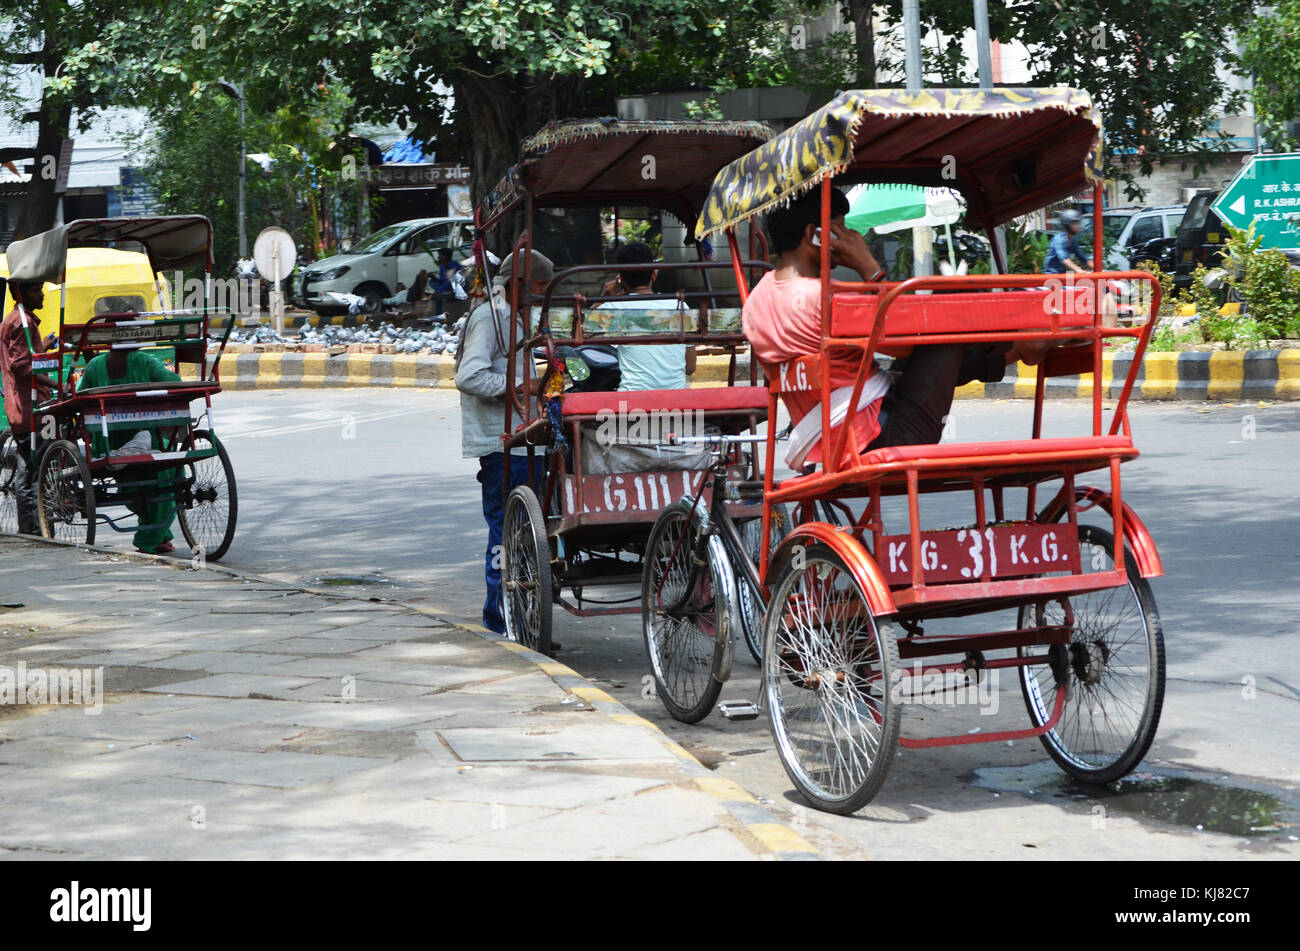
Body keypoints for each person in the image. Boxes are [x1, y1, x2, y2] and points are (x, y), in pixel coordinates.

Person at [742, 186, 1050, 466]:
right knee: (947, 310)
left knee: (926, 342)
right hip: (884, 434)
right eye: (841, 227)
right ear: (815, 234)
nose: (851, 236)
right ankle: (1019, 348)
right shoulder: (827, 298)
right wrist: (869, 267)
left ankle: (1018, 349)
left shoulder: (756, 301)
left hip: (835, 435)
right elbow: (914, 338)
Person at [454, 248, 552, 634]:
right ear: (518, 284)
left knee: (530, 534)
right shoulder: (490, 319)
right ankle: (497, 620)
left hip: (528, 438)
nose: (543, 295)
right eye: (540, 287)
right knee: (505, 532)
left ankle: (525, 618)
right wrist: (519, 386)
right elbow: (469, 377)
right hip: (501, 444)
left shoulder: (520, 319)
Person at [77, 348, 182, 554]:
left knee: (136, 480)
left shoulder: (94, 365)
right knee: (168, 475)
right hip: (145, 440)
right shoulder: (145, 360)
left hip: (108, 444)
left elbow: (78, 393)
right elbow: (173, 380)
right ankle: (149, 539)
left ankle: (160, 534)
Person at [597, 242, 696, 391]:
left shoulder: (613, 307)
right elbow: (690, 367)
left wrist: (604, 297)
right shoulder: (679, 306)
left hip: (632, 401)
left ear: (621, 280)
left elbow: (582, 331)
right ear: (654, 275)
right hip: (676, 400)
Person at [1, 280, 58, 534]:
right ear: (20, 293)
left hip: (25, 407)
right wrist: (57, 383)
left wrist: (43, 346)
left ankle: (33, 529)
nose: (42, 294)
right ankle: (36, 530)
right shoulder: (19, 322)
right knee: (38, 470)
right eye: (36, 289)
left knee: (29, 469)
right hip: (33, 407)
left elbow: (25, 358)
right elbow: (22, 367)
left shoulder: (21, 321)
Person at [1044, 209, 1091, 275]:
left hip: (1062, 275)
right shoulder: (1059, 240)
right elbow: (1064, 259)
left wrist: (1097, 268)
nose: (1079, 226)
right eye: (1075, 223)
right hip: (1051, 276)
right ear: (1067, 224)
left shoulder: (1073, 239)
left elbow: (1082, 258)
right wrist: (1078, 270)